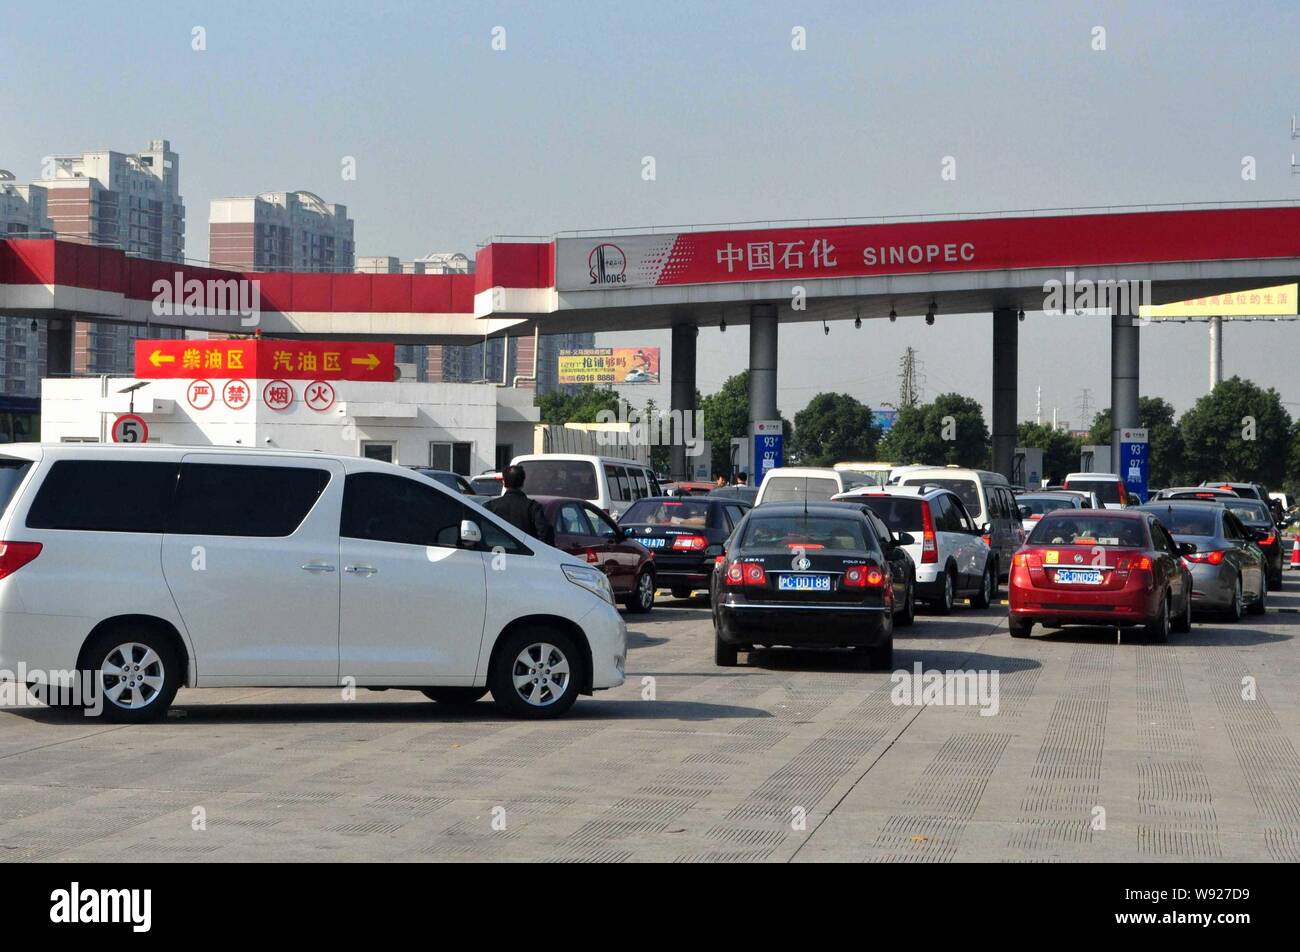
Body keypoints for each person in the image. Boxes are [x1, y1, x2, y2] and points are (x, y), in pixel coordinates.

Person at [485, 464, 555, 545]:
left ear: (503, 482)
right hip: (528, 554)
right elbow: (544, 535)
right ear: (523, 482)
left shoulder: (490, 506)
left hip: (497, 552)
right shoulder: (533, 507)